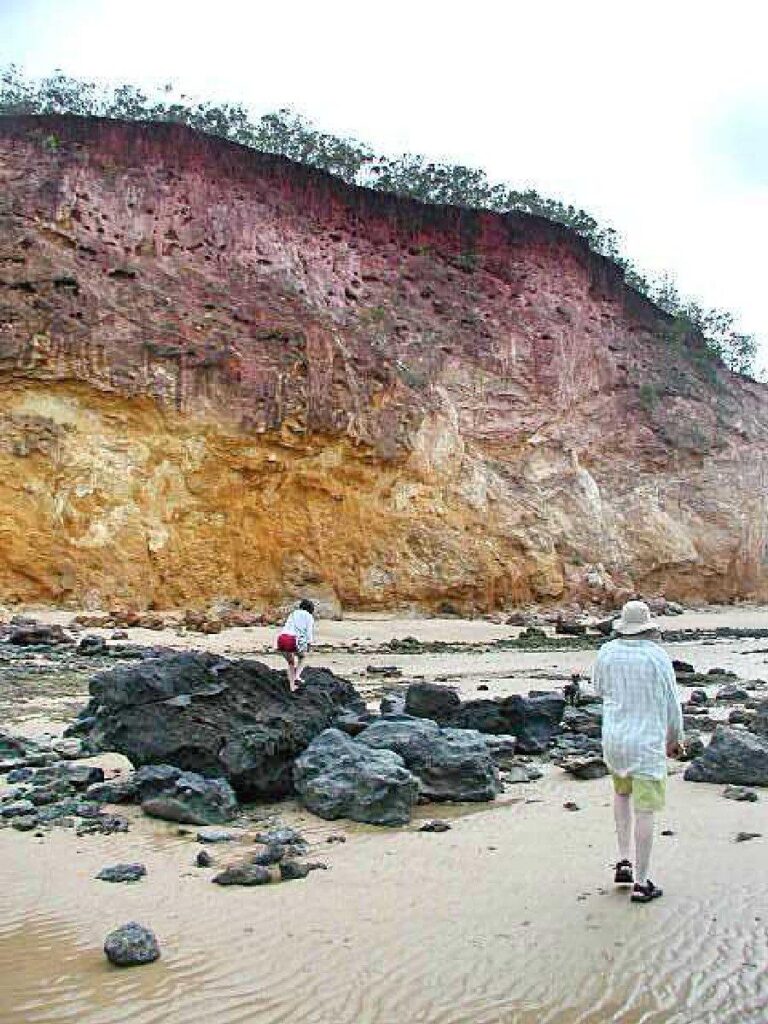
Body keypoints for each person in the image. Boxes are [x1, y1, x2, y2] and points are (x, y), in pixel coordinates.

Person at [592, 600, 684, 904]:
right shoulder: (657, 656)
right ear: (648, 627)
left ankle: (623, 861)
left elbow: (599, 689)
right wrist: (675, 738)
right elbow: (672, 703)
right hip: (646, 742)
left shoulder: (606, 652)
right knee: (645, 809)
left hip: (615, 739)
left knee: (621, 796)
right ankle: (642, 883)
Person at [276, 599, 315, 689]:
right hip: (292, 639)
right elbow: (309, 633)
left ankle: (292, 687)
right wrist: (309, 645)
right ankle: (297, 676)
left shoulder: (293, 613)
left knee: (291, 663)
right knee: (303, 656)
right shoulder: (309, 616)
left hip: (281, 638)